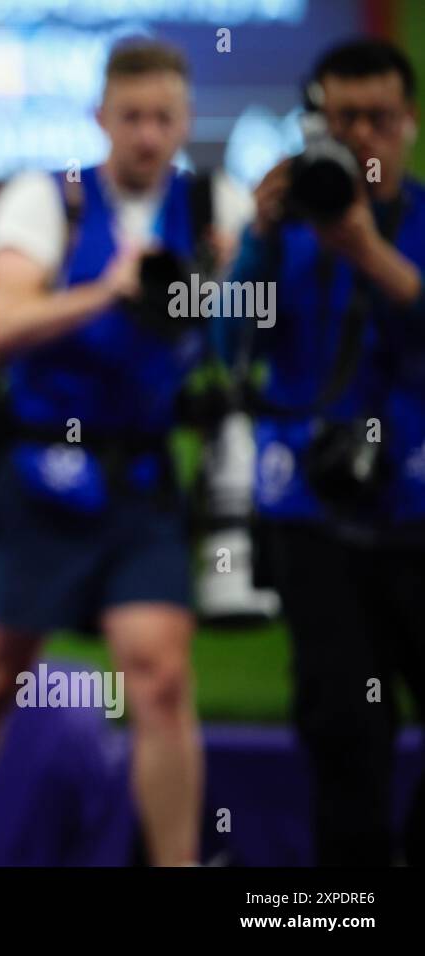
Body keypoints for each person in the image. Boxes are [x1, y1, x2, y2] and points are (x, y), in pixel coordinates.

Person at [0, 40, 253, 867]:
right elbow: (4, 324)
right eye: (131, 117)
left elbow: (246, 336)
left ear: (185, 123)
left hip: (142, 479)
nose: (146, 135)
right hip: (39, 475)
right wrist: (110, 287)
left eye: (163, 119)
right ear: (102, 118)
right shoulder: (47, 201)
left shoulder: (217, 206)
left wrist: (230, 274)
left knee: (162, 676)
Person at [232, 37, 425, 866]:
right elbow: (229, 343)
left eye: (379, 119)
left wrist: (367, 251)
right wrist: (258, 239)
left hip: (416, 510)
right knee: (343, 721)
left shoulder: (416, 219)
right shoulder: (290, 227)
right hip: (308, 508)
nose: (363, 138)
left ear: (409, 123)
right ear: (315, 125)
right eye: (342, 120)